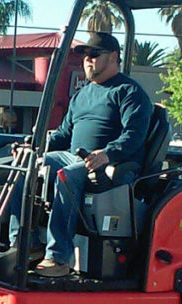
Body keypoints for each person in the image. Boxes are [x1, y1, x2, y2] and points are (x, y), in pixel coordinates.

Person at [10, 31, 153, 278]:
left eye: (95, 55)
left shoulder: (129, 92)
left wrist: (108, 153)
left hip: (112, 166)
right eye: (86, 55)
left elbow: (135, 135)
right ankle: (24, 242)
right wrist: (32, 147)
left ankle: (58, 258)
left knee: (67, 175)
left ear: (113, 57)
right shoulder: (81, 95)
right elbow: (62, 135)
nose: (88, 60)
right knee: (25, 165)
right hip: (74, 157)